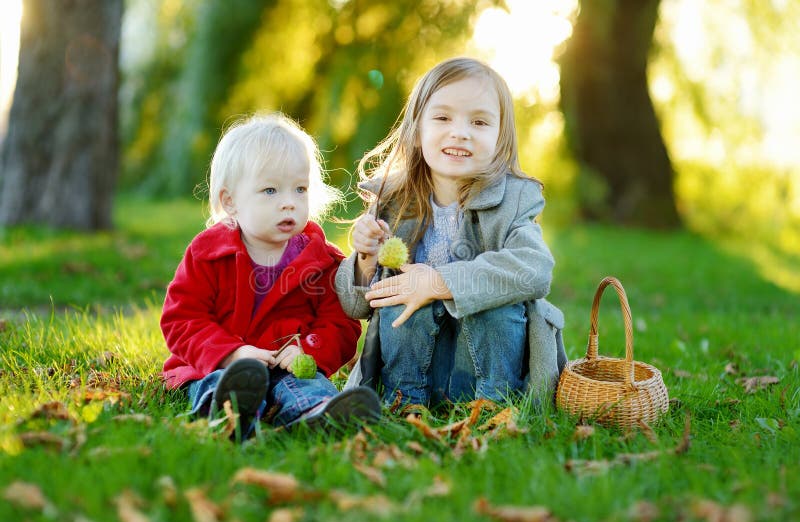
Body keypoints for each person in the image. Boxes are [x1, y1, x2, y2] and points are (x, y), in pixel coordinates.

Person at [335, 57, 567, 408]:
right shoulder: (392, 201)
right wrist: (366, 259)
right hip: (413, 368)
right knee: (400, 295)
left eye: (479, 121)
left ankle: (494, 403)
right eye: (443, 118)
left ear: (500, 137)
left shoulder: (514, 200)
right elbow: (355, 307)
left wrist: (439, 283)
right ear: (417, 130)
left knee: (494, 299)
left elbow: (535, 268)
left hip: (483, 368)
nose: (460, 132)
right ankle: (404, 401)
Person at [161, 112, 380, 439]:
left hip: (287, 364)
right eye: (270, 191)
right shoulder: (208, 253)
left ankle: (319, 415)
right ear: (230, 201)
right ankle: (227, 409)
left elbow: (341, 324)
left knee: (306, 386)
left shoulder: (321, 261)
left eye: (299, 189)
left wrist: (309, 349)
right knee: (214, 384)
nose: (288, 203)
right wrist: (231, 353)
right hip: (217, 365)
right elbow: (182, 319)